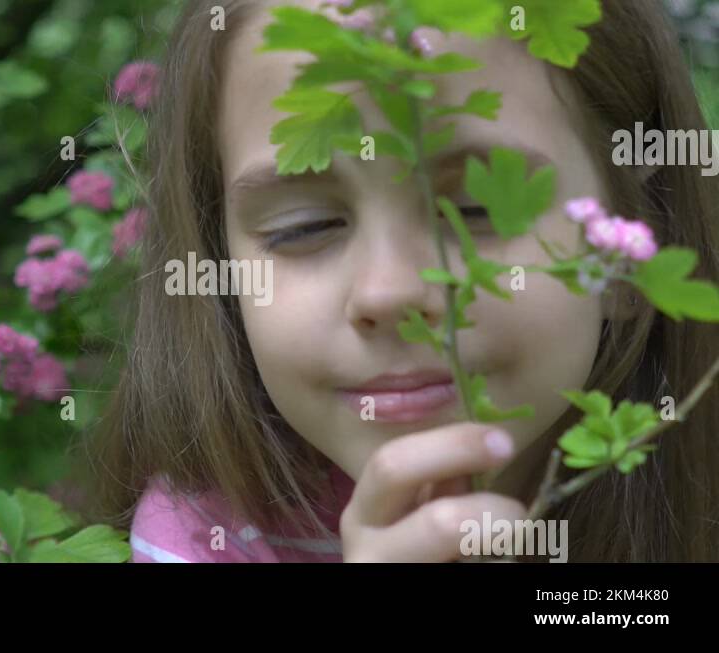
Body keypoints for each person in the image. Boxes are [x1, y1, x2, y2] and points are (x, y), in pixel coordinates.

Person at [76, 0, 719, 562]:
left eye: (475, 212)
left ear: (631, 244)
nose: (389, 293)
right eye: (305, 226)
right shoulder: (210, 536)